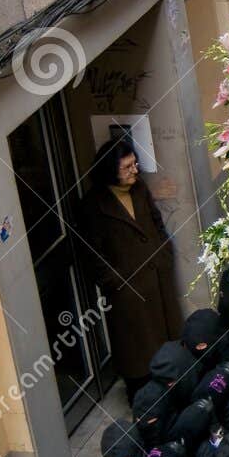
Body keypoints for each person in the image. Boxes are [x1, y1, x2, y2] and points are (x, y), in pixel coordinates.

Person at [78, 137, 182, 403]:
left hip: (157, 276)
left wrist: (165, 252)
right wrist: (114, 282)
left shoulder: (140, 189)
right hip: (128, 288)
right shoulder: (93, 205)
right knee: (137, 346)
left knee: (167, 336)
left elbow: (156, 223)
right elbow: (91, 252)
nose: (135, 170)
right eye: (127, 167)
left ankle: (174, 386)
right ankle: (144, 399)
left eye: (135, 164)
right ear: (110, 170)